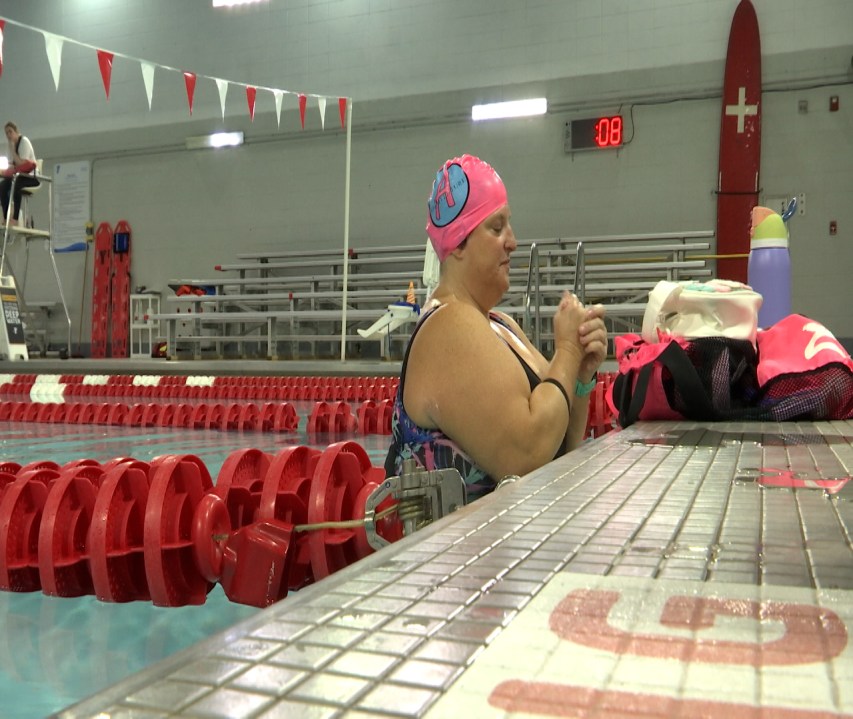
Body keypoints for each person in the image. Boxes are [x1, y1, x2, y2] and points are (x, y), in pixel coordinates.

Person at [385, 154, 608, 502]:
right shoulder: (448, 326)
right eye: (496, 227)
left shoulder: (501, 324)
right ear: (459, 242)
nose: (512, 241)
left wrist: (579, 373)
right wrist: (566, 350)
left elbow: (561, 443)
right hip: (459, 539)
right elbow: (527, 453)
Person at [1, 121, 40, 227]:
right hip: (18, 176)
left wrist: (13, 150)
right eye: (6, 133)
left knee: (16, 184)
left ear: (16, 132)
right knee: (2, 186)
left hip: (31, 177)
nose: (8, 135)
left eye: (10, 132)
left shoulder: (24, 142)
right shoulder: (10, 145)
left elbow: (21, 164)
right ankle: (6, 217)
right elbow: (11, 164)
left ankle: (15, 218)